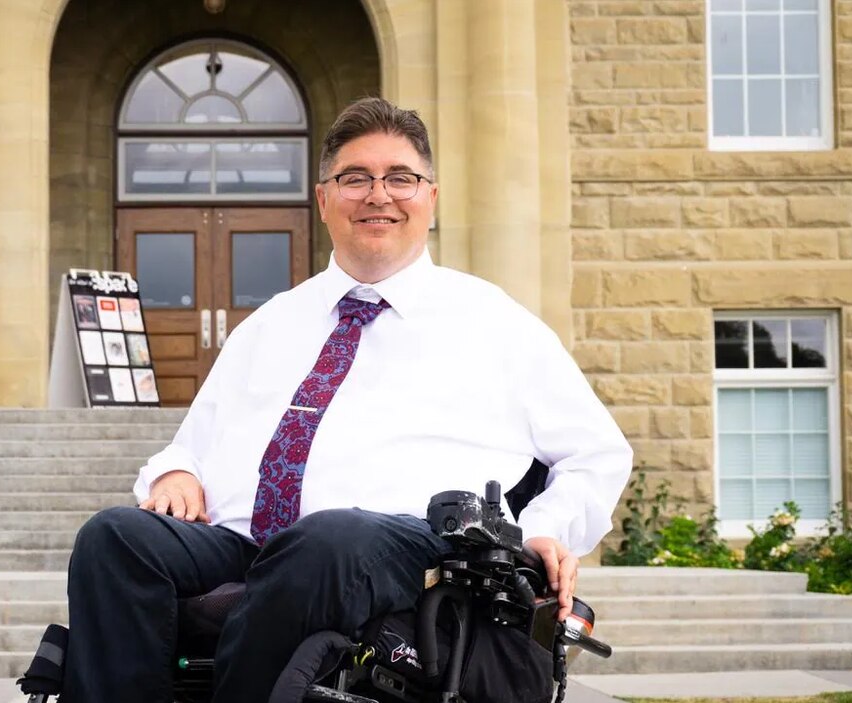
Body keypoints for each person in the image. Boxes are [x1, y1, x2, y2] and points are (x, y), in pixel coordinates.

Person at [62, 97, 633, 703]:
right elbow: (193, 445)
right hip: (248, 542)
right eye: (355, 178)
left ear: (430, 199)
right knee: (115, 537)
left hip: (403, 544)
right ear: (324, 199)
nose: (378, 195)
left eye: (401, 179)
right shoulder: (271, 323)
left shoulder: (495, 322)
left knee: (327, 539)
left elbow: (597, 455)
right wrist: (178, 470)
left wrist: (542, 530)